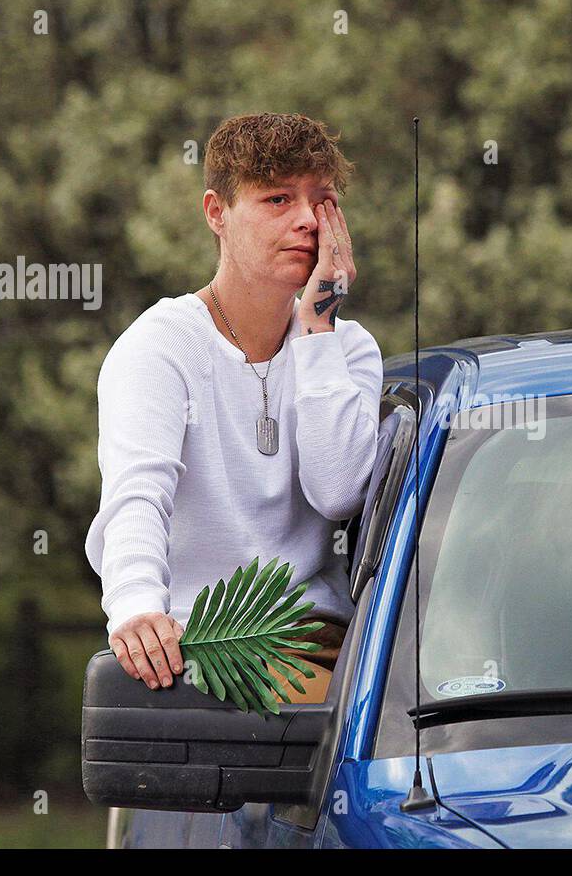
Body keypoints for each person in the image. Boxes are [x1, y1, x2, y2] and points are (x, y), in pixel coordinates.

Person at [84, 112, 383, 703]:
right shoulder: (161, 345)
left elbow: (339, 491)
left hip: (315, 642)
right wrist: (137, 609)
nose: (305, 220)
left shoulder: (346, 348)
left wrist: (318, 328)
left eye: (321, 201)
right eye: (277, 199)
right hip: (199, 646)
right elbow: (138, 494)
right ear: (216, 212)